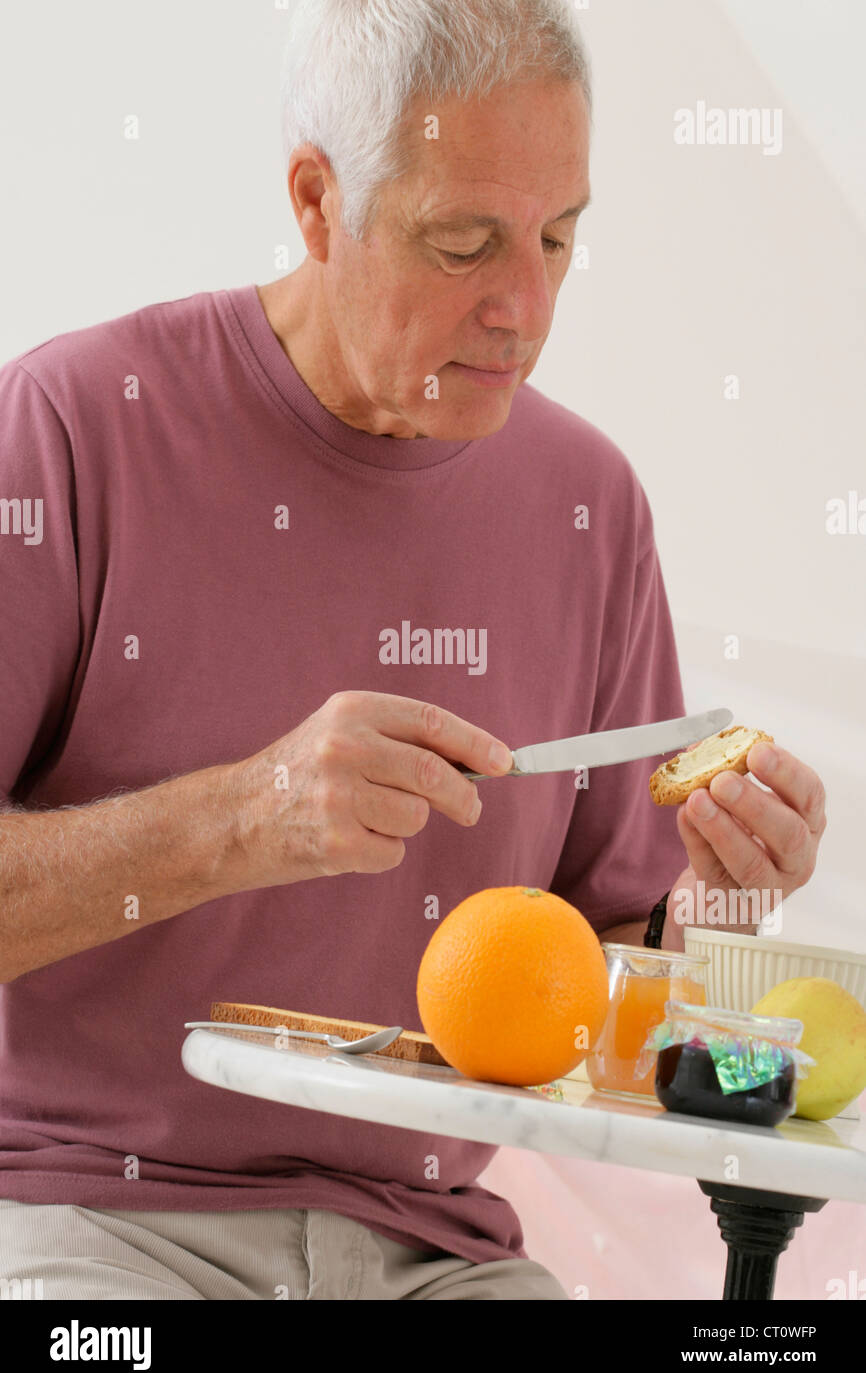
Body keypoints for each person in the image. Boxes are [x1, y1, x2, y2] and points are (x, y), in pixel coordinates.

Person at [0, 0, 825, 1301]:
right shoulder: (74, 427)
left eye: (560, 237)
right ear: (319, 203)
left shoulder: (585, 501)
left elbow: (607, 983)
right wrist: (246, 813)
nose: (526, 307)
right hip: (93, 1217)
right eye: (465, 243)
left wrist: (715, 907)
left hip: (434, 1251)